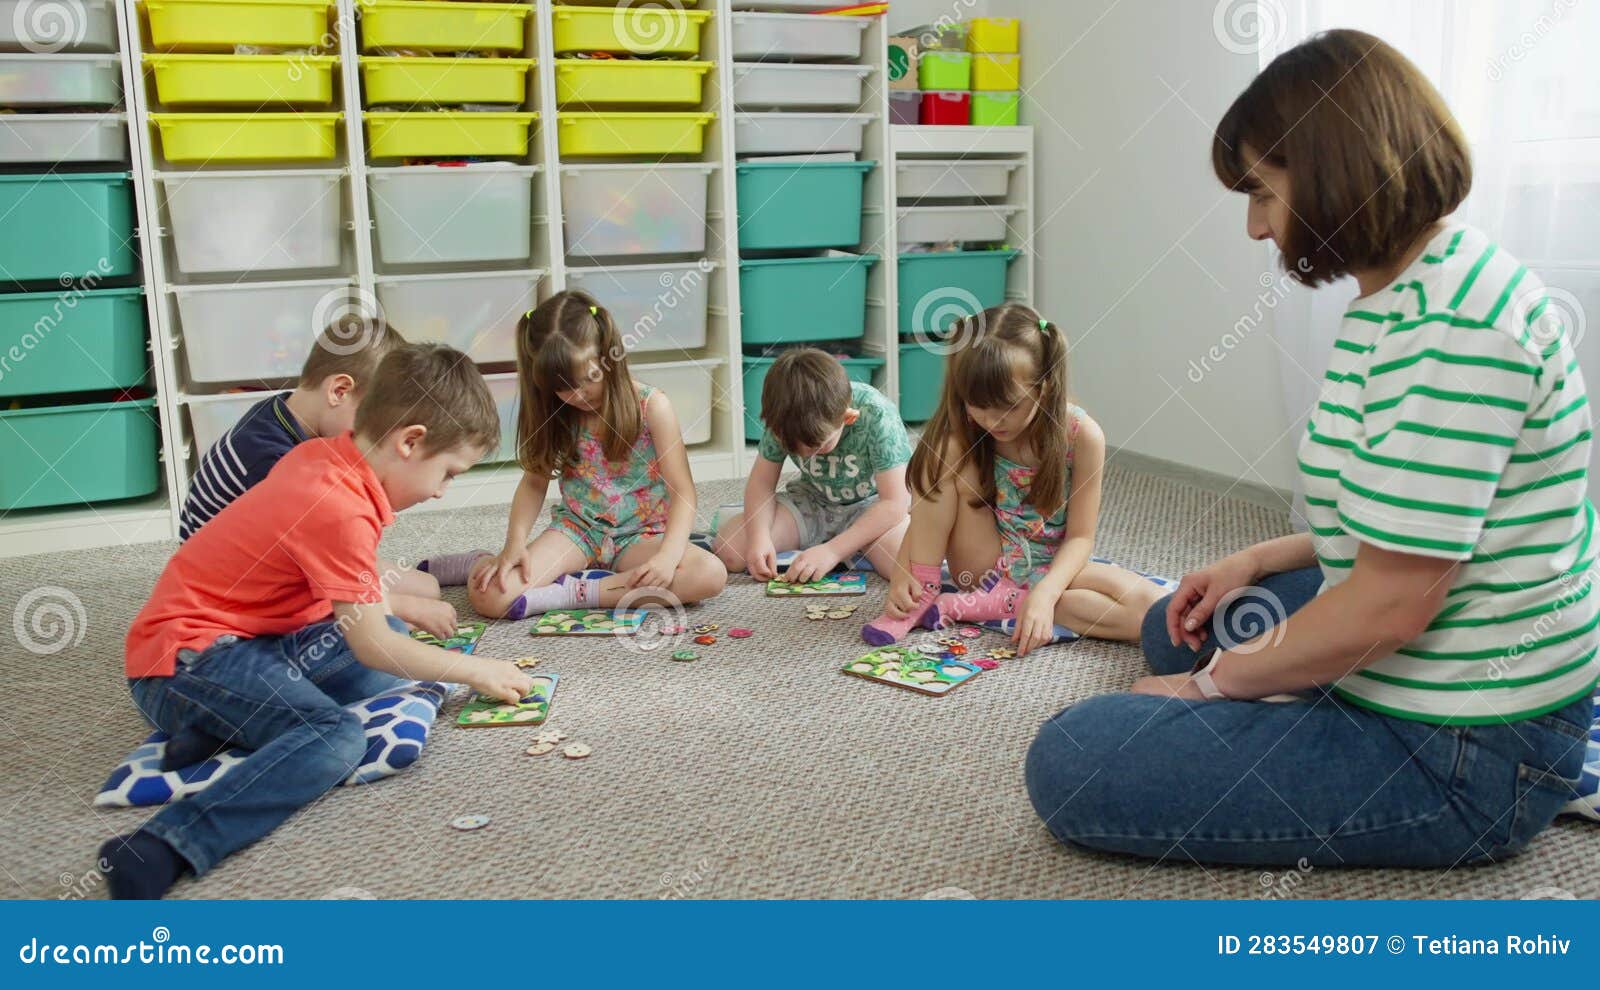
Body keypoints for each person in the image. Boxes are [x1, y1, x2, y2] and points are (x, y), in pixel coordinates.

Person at [1025, 29, 1598, 866]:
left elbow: (1394, 606)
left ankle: (1272, 695)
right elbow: (1402, 517)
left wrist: (1211, 688)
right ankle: (1243, 664)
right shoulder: (1406, 290)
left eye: (1262, 192)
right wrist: (1256, 559)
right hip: (1432, 648)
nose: (1257, 227)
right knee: (1183, 625)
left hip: (1468, 752)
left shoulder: (1454, 327)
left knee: (1075, 761)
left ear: (1334, 168)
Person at [103, 344, 531, 899]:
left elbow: (363, 620)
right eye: (448, 474)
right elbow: (372, 642)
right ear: (409, 441)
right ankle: (163, 846)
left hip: (261, 639)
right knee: (334, 736)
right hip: (184, 659)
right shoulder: (335, 504)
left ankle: (214, 731)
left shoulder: (333, 455)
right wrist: (475, 671)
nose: (441, 491)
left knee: (395, 664)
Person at [861, 304, 1160, 654]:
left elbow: (1081, 537)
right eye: (979, 406)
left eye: (1010, 407)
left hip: (1052, 563)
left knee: (1150, 609)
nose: (993, 420)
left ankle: (1001, 603)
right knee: (945, 447)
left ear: (1044, 388)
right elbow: (926, 514)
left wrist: (1046, 595)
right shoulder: (966, 432)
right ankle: (927, 595)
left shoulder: (1082, 436)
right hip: (984, 564)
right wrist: (905, 575)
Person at [420, 291, 727, 616]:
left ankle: (576, 592)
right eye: (564, 387)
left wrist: (667, 555)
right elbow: (534, 484)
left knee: (709, 575)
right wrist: (514, 543)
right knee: (492, 597)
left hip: (642, 534)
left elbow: (684, 492)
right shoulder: (556, 413)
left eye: (589, 378)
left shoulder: (653, 407)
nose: (579, 395)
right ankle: (478, 561)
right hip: (578, 530)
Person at [713, 347, 913, 585]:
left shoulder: (877, 414)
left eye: (817, 446)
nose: (805, 454)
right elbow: (762, 483)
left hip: (871, 508)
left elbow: (895, 503)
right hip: (812, 504)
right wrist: (760, 538)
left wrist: (833, 551)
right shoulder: (784, 418)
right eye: (794, 447)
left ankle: (848, 549)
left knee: (909, 567)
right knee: (730, 550)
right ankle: (844, 552)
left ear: (848, 417)